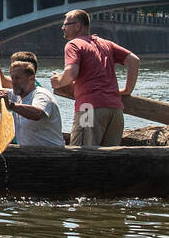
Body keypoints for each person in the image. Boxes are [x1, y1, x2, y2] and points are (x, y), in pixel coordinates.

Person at [50, 9, 139, 147]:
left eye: (66, 24)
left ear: (77, 26)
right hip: (115, 111)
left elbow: (71, 73)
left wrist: (58, 82)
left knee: (82, 154)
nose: (63, 28)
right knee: (108, 159)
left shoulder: (73, 45)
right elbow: (134, 61)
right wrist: (127, 90)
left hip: (88, 108)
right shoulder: (106, 44)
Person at [0, 39, 64, 147]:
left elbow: (37, 114)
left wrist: (11, 105)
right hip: (28, 154)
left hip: (51, 155)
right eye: (12, 78)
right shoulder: (15, 94)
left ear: (31, 78)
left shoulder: (41, 94)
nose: (13, 82)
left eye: (17, 78)